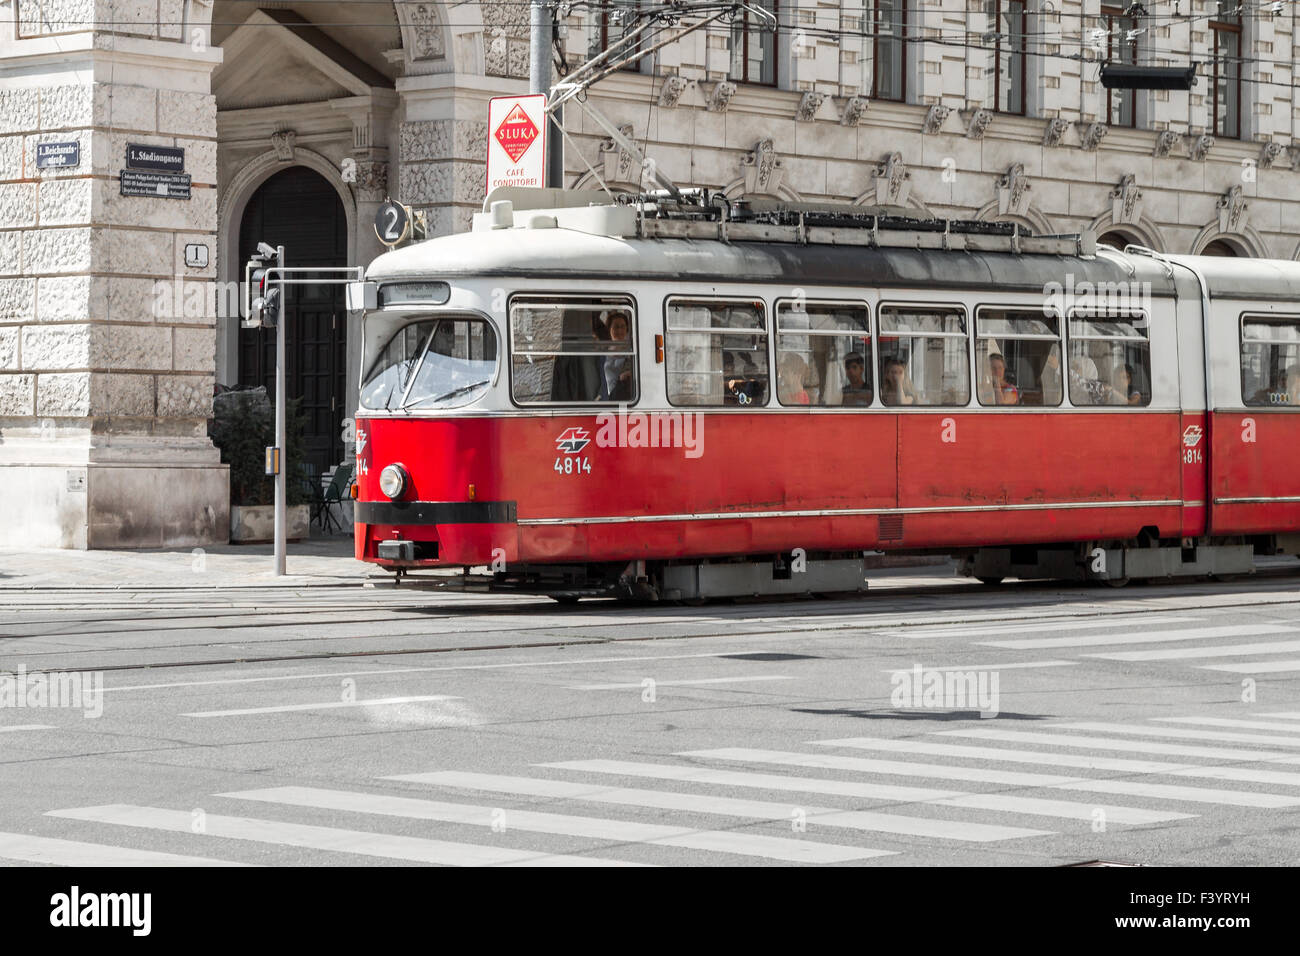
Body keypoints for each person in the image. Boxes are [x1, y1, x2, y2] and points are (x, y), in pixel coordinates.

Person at [602, 312, 635, 402]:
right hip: (611, 397)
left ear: (627, 329)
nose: (619, 330)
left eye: (622, 327)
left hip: (630, 397)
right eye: (616, 327)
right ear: (609, 329)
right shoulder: (603, 352)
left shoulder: (633, 350)